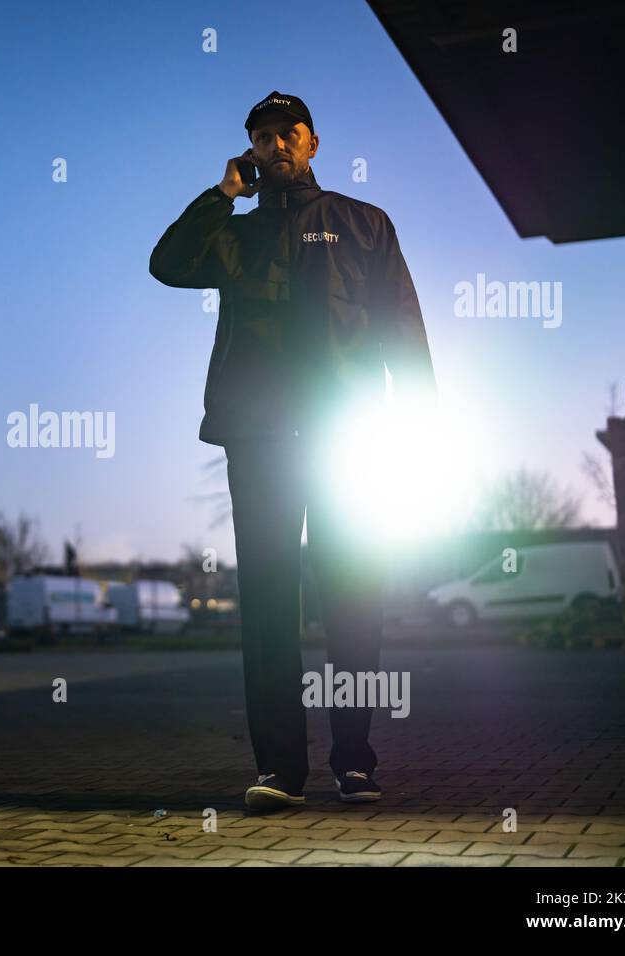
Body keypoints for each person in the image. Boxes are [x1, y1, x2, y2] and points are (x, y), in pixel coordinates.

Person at [149, 90, 437, 810]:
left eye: (289, 134)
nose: (276, 145)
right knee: (269, 605)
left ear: (312, 144)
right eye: (262, 136)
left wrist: (419, 419)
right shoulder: (234, 235)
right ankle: (280, 770)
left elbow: (402, 325)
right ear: (250, 149)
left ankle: (355, 763)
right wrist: (220, 196)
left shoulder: (363, 224)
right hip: (261, 437)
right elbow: (166, 263)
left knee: (353, 602)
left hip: (348, 435)